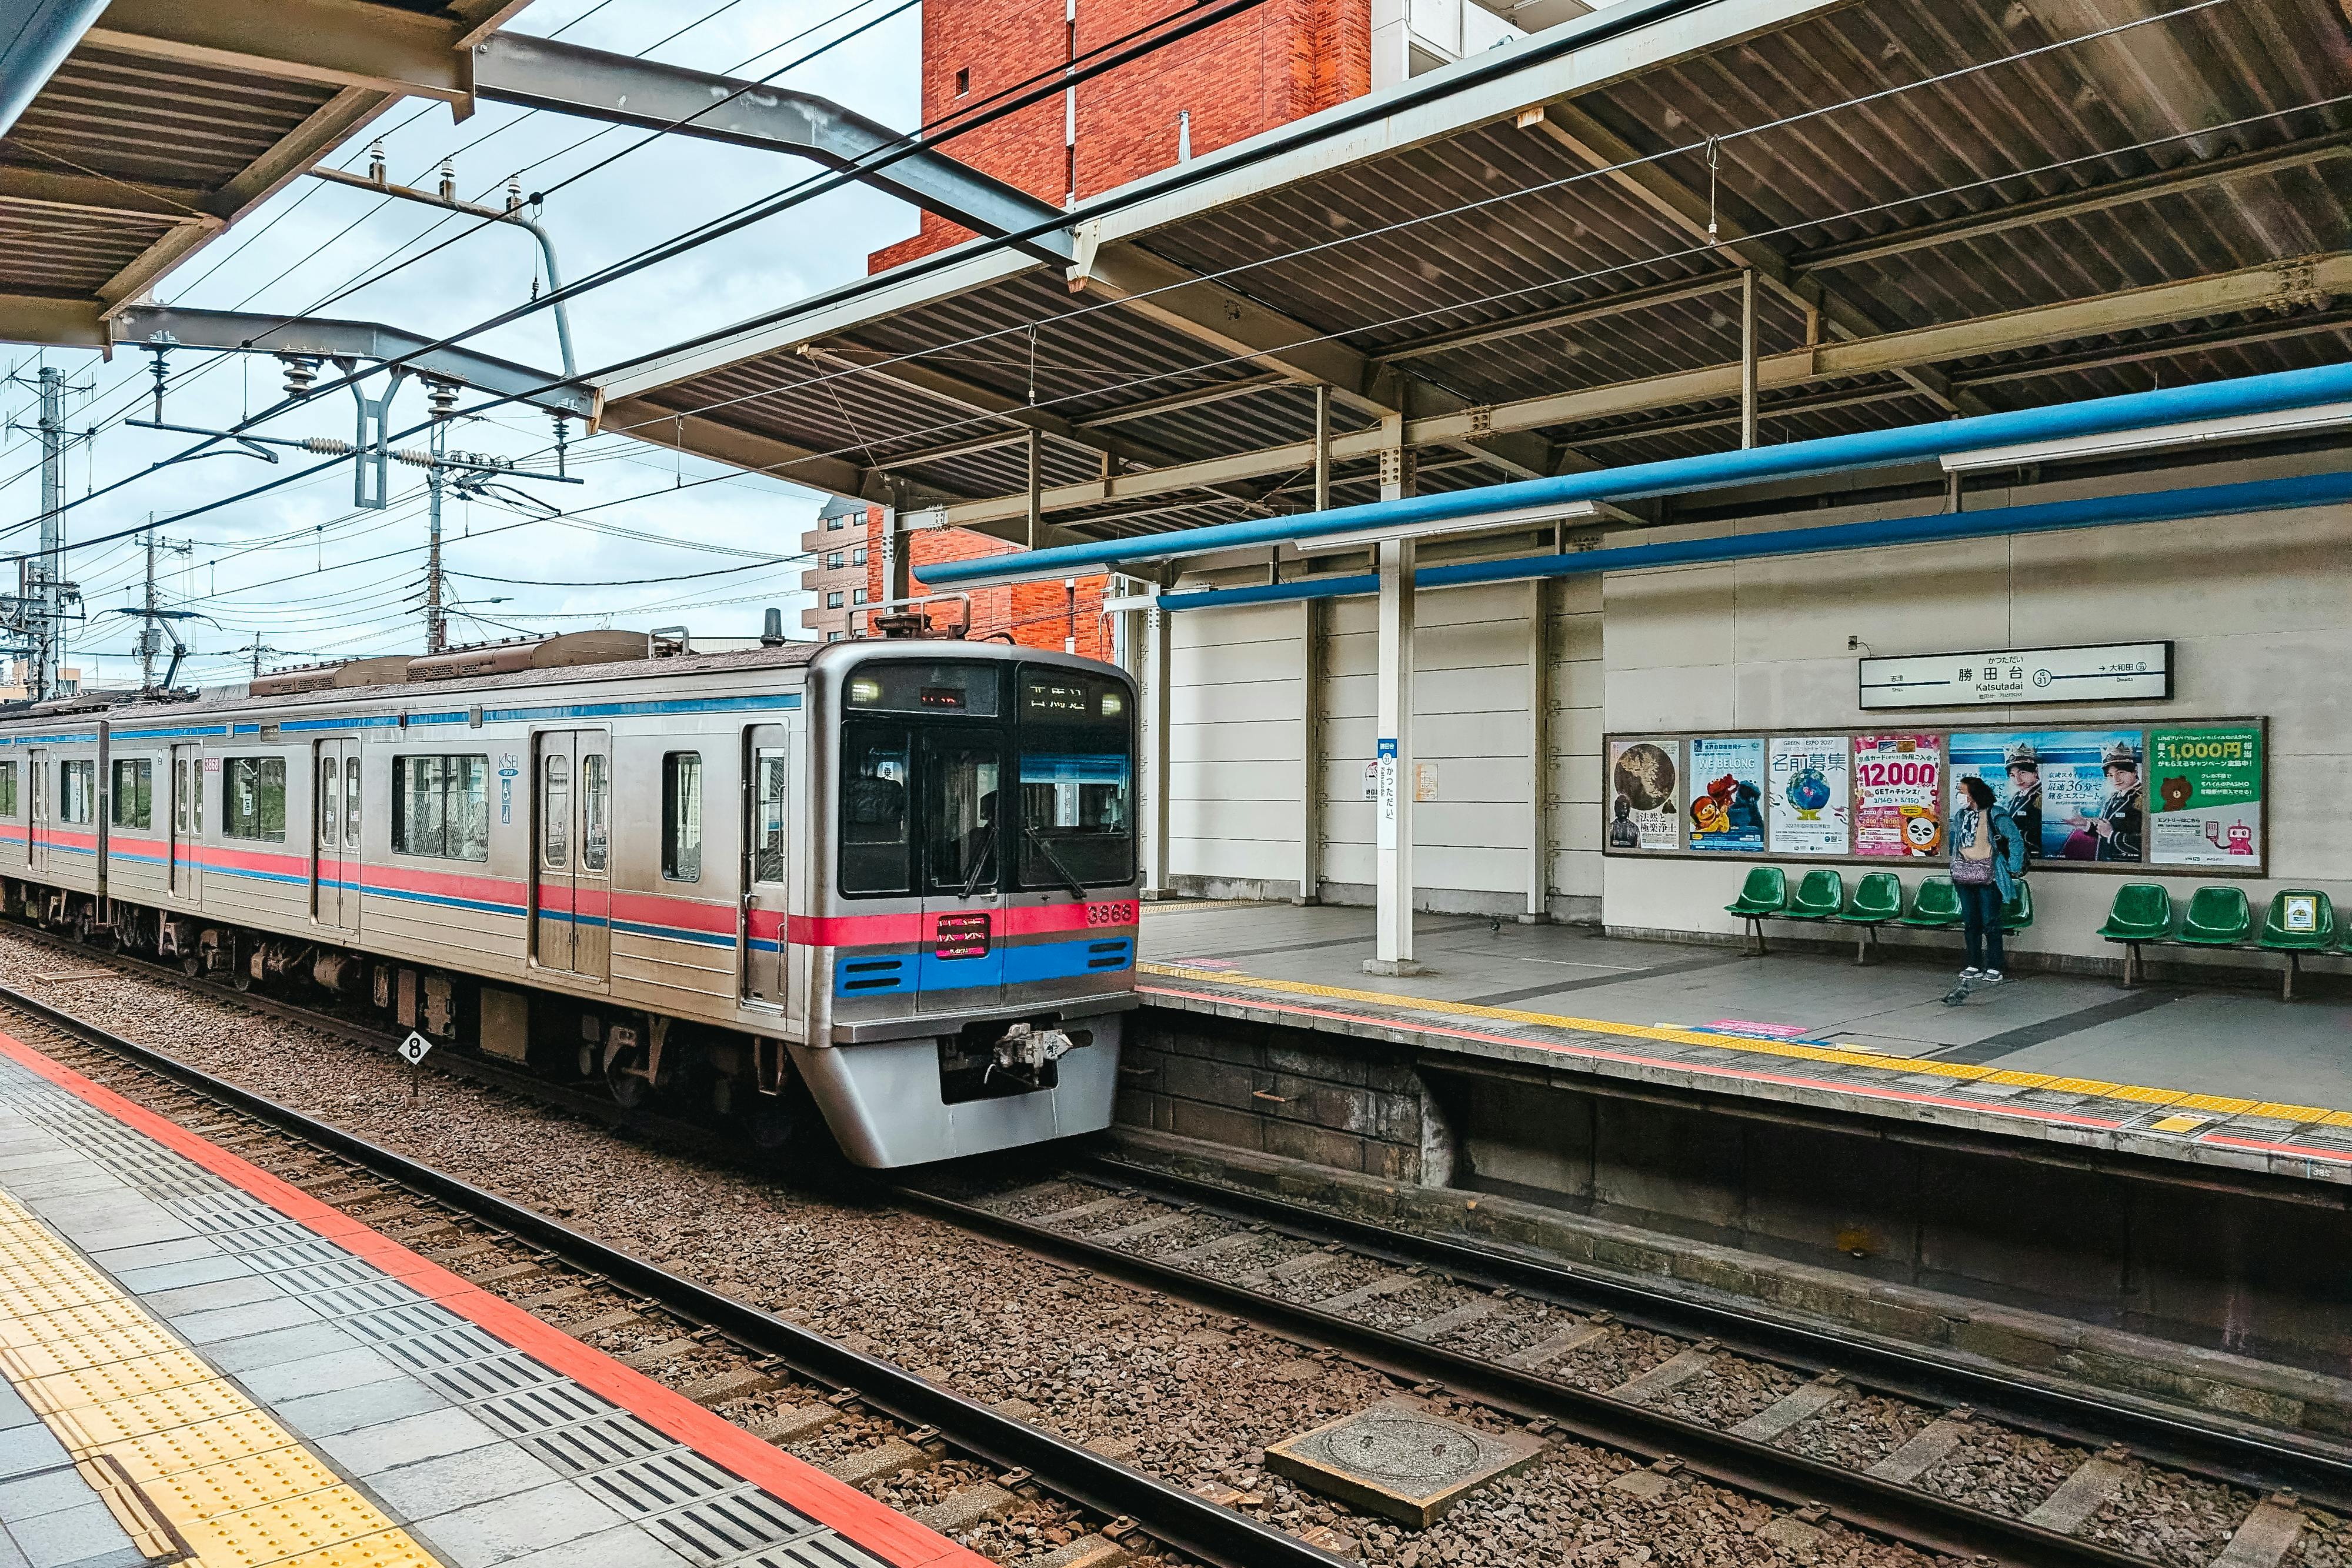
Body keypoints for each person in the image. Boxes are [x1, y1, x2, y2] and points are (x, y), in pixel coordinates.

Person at [1949, 775, 2026, 984]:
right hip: (1964, 876)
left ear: (1973, 795)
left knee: (1991, 922)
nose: (1959, 795)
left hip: (1989, 876)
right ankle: (1973, 964)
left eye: (1961, 791)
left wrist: (2014, 868)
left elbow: (2015, 839)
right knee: (1971, 922)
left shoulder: (1996, 814)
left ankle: (1994, 966)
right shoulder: (1961, 815)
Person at [2079, 740, 2143, 862]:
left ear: (2135, 771)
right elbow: (2105, 828)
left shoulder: (2144, 798)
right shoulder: (2113, 798)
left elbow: (2147, 843)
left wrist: (2111, 835)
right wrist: (2086, 825)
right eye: (2110, 775)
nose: (2116, 779)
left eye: (2121, 773)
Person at [2003, 742, 2043, 859]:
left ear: (2036, 772)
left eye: (2022, 773)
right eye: (2012, 775)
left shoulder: (2040, 797)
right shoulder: (2016, 797)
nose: (2018, 779)